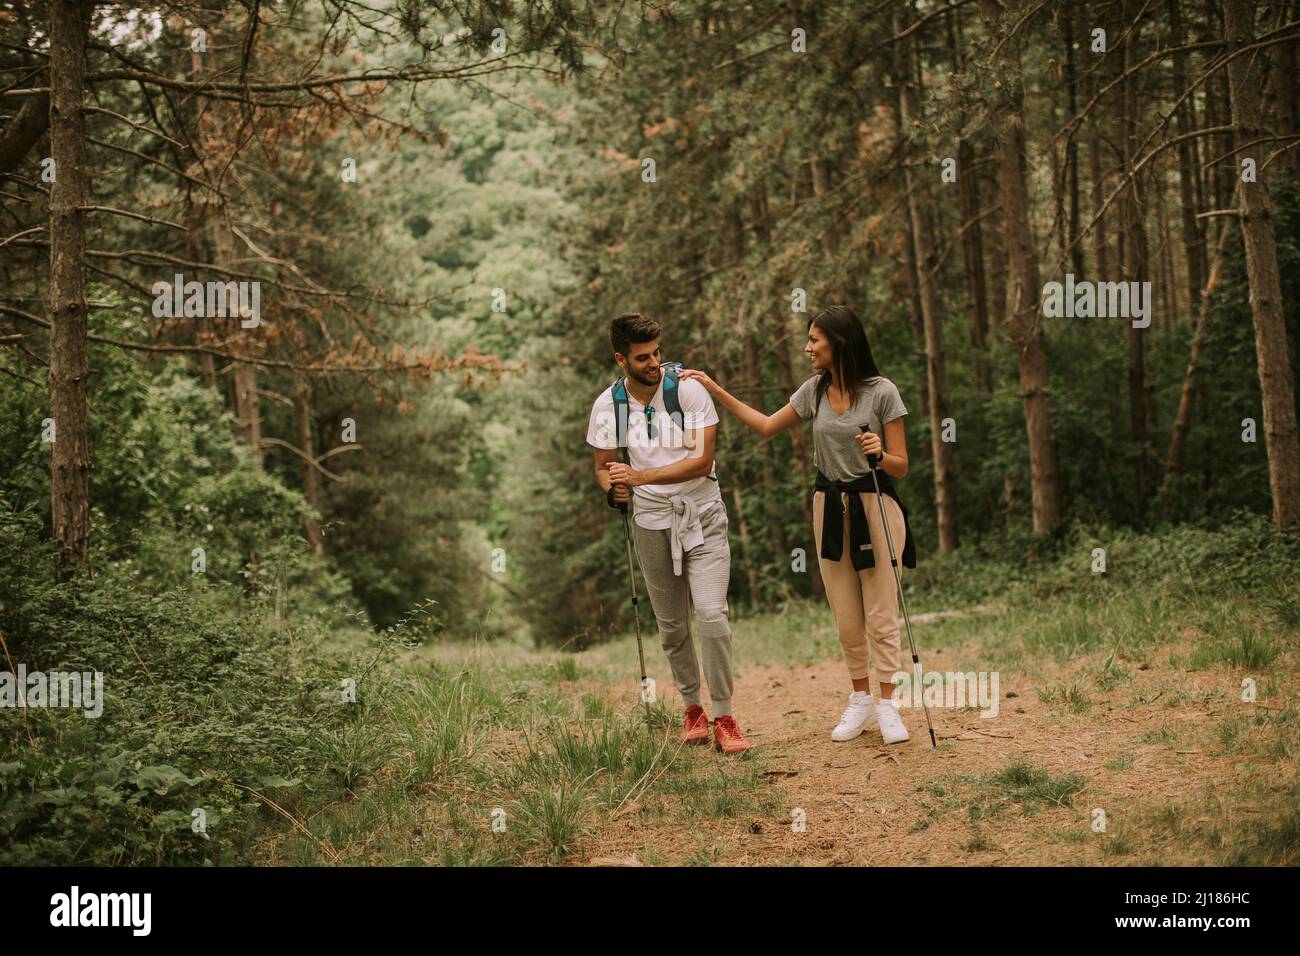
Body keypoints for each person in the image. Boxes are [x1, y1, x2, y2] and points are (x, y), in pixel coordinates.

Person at [679, 305, 916, 746]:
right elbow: (767, 427)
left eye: (814, 340)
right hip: (828, 504)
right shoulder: (815, 391)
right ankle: (860, 697)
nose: (807, 347)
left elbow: (901, 466)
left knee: (880, 610)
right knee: (846, 614)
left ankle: (886, 704)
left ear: (839, 343)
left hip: (876, 503)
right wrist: (713, 389)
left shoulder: (883, 392)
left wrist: (880, 452)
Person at [586, 312, 751, 754]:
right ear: (621, 358)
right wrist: (615, 489)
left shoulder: (690, 390)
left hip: (702, 513)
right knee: (672, 625)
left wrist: (637, 478)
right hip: (650, 522)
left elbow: (701, 460)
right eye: (642, 357)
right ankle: (692, 708)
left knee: (713, 616)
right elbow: (603, 468)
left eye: (657, 352)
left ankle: (726, 715)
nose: (654, 362)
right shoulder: (609, 406)